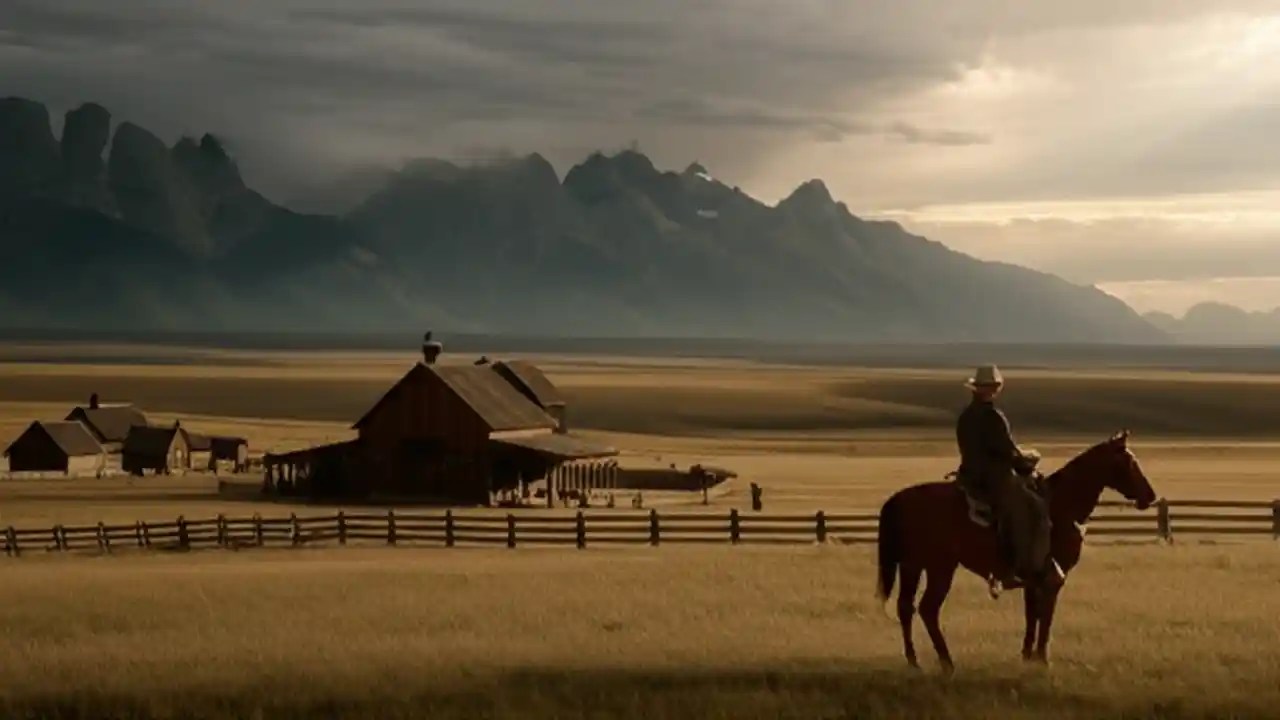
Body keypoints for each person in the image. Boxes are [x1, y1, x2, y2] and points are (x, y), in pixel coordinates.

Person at [955, 365, 1063, 593]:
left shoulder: (966, 416)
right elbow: (1007, 451)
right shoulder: (993, 416)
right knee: (1034, 508)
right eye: (990, 386)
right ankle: (1017, 567)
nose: (992, 390)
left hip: (969, 475)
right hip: (994, 478)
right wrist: (1026, 461)